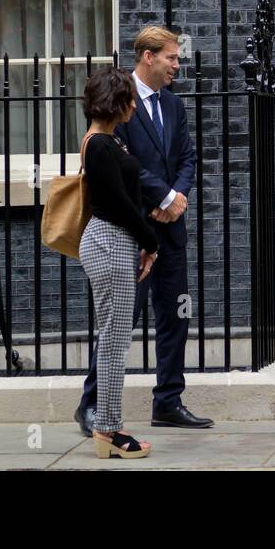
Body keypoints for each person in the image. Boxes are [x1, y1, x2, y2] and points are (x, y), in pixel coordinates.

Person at [75, 26, 211, 436]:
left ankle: (168, 401)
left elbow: (187, 155)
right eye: (171, 57)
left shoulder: (173, 104)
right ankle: (92, 406)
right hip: (128, 229)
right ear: (148, 56)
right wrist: (165, 198)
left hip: (171, 230)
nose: (177, 65)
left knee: (174, 318)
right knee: (120, 321)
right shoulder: (118, 98)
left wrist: (178, 197)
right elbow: (122, 158)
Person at [78, 67, 158, 459]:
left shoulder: (110, 141)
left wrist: (142, 243)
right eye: (128, 98)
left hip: (117, 242)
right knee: (113, 341)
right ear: (116, 102)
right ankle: (108, 429)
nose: (133, 105)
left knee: (113, 338)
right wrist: (151, 241)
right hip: (109, 242)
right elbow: (117, 204)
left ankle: (108, 425)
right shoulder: (99, 145)